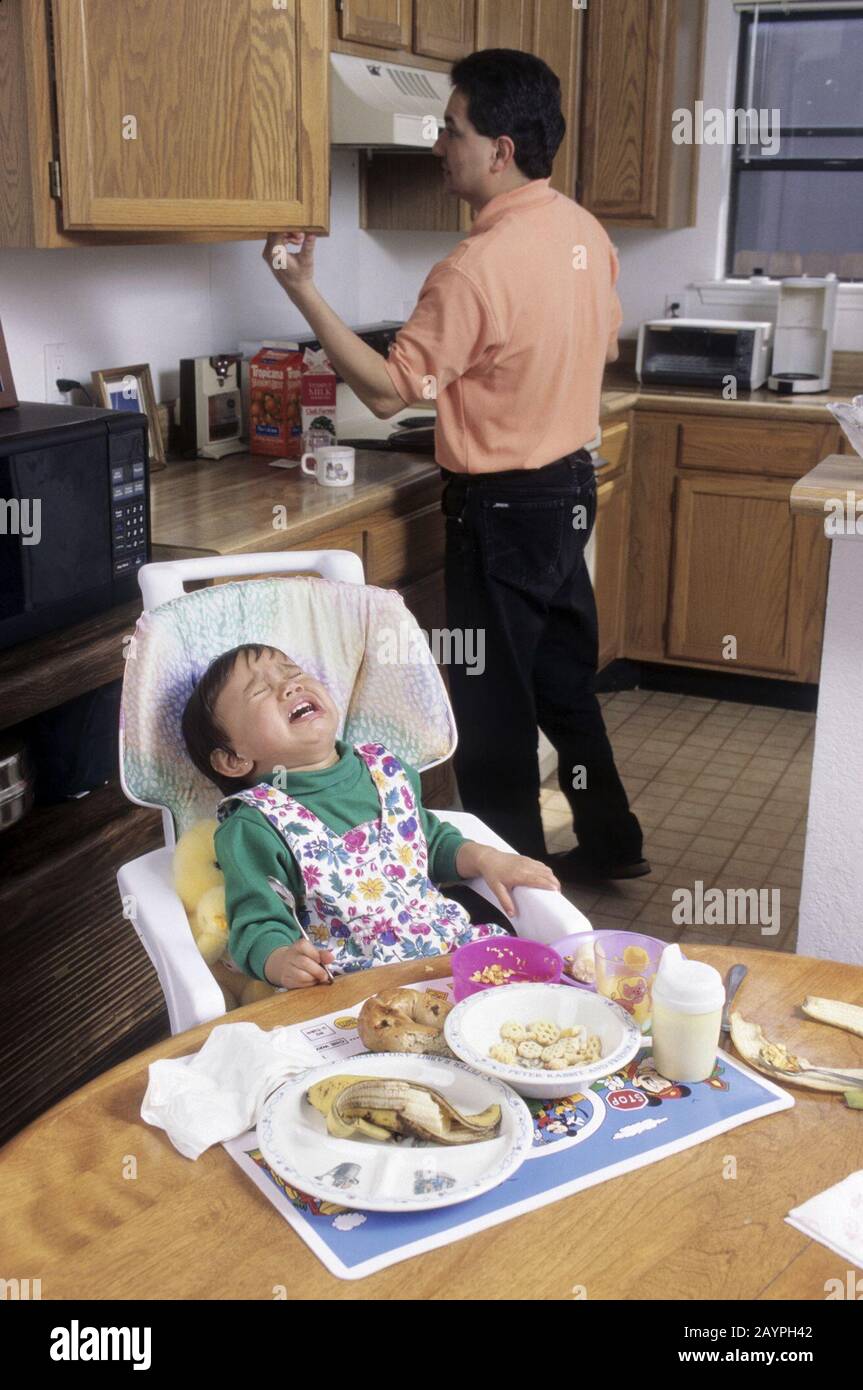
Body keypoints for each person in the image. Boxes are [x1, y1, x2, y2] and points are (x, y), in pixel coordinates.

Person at [260, 48, 647, 885]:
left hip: (502, 508)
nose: (438, 146)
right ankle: (613, 839)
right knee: (561, 682)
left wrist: (300, 289)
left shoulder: (473, 267)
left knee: (490, 708)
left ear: (499, 149)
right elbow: (589, 344)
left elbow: (393, 391)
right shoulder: (583, 232)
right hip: (566, 489)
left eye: (451, 129)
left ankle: (512, 895)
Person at [180, 643, 561, 989]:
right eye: (259, 691)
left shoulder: (386, 769)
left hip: (454, 953)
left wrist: (486, 858)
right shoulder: (254, 825)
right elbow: (257, 921)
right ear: (233, 759)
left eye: (293, 672)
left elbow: (429, 841)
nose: (289, 686)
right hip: (356, 985)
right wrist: (279, 959)